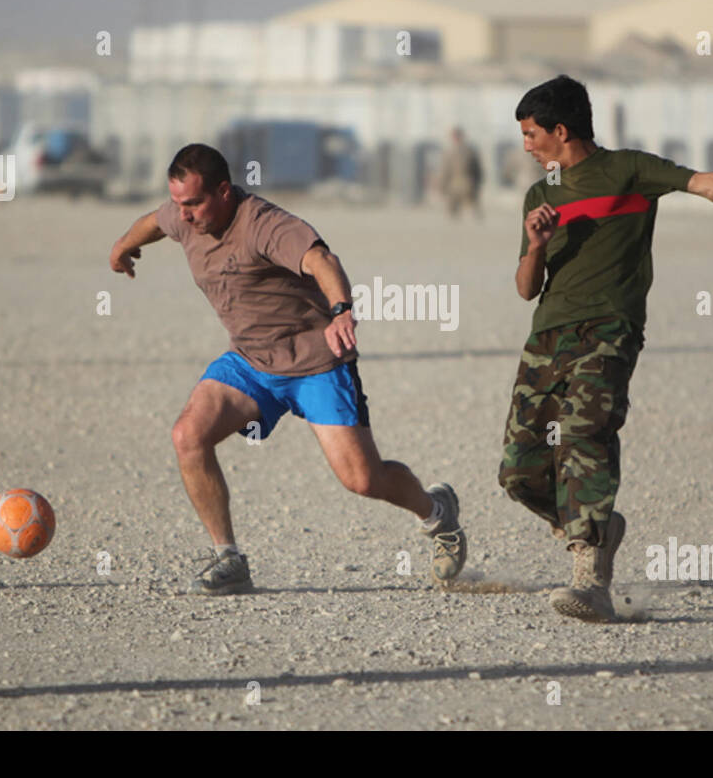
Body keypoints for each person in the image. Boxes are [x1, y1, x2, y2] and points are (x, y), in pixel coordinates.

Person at [108, 143, 466, 595]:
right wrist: (122, 247)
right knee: (188, 436)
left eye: (194, 203)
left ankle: (436, 512)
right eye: (179, 203)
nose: (186, 215)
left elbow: (321, 260)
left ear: (223, 192)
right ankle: (229, 558)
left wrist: (341, 311)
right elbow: (153, 222)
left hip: (315, 363)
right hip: (251, 363)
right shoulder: (183, 215)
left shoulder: (265, 225)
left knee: (363, 479)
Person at [499, 75, 713, 622]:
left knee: (585, 432)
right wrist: (535, 245)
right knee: (518, 472)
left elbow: (709, 186)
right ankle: (598, 530)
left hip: (610, 328)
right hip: (547, 336)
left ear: (560, 130)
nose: (526, 145)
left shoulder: (628, 169)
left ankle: (590, 577)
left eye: (531, 133)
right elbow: (524, 287)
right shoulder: (540, 195)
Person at [438, 127, 483, 218]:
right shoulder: (449, 152)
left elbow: (477, 169)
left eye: (458, 136)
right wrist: (442, 185)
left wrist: (477, 182)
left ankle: (476, 223)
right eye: (455, 136)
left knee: (473, 207)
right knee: (453, 209)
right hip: (454, 183)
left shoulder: (470, 151)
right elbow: (445, 171)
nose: (456, 138)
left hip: (468, 182)